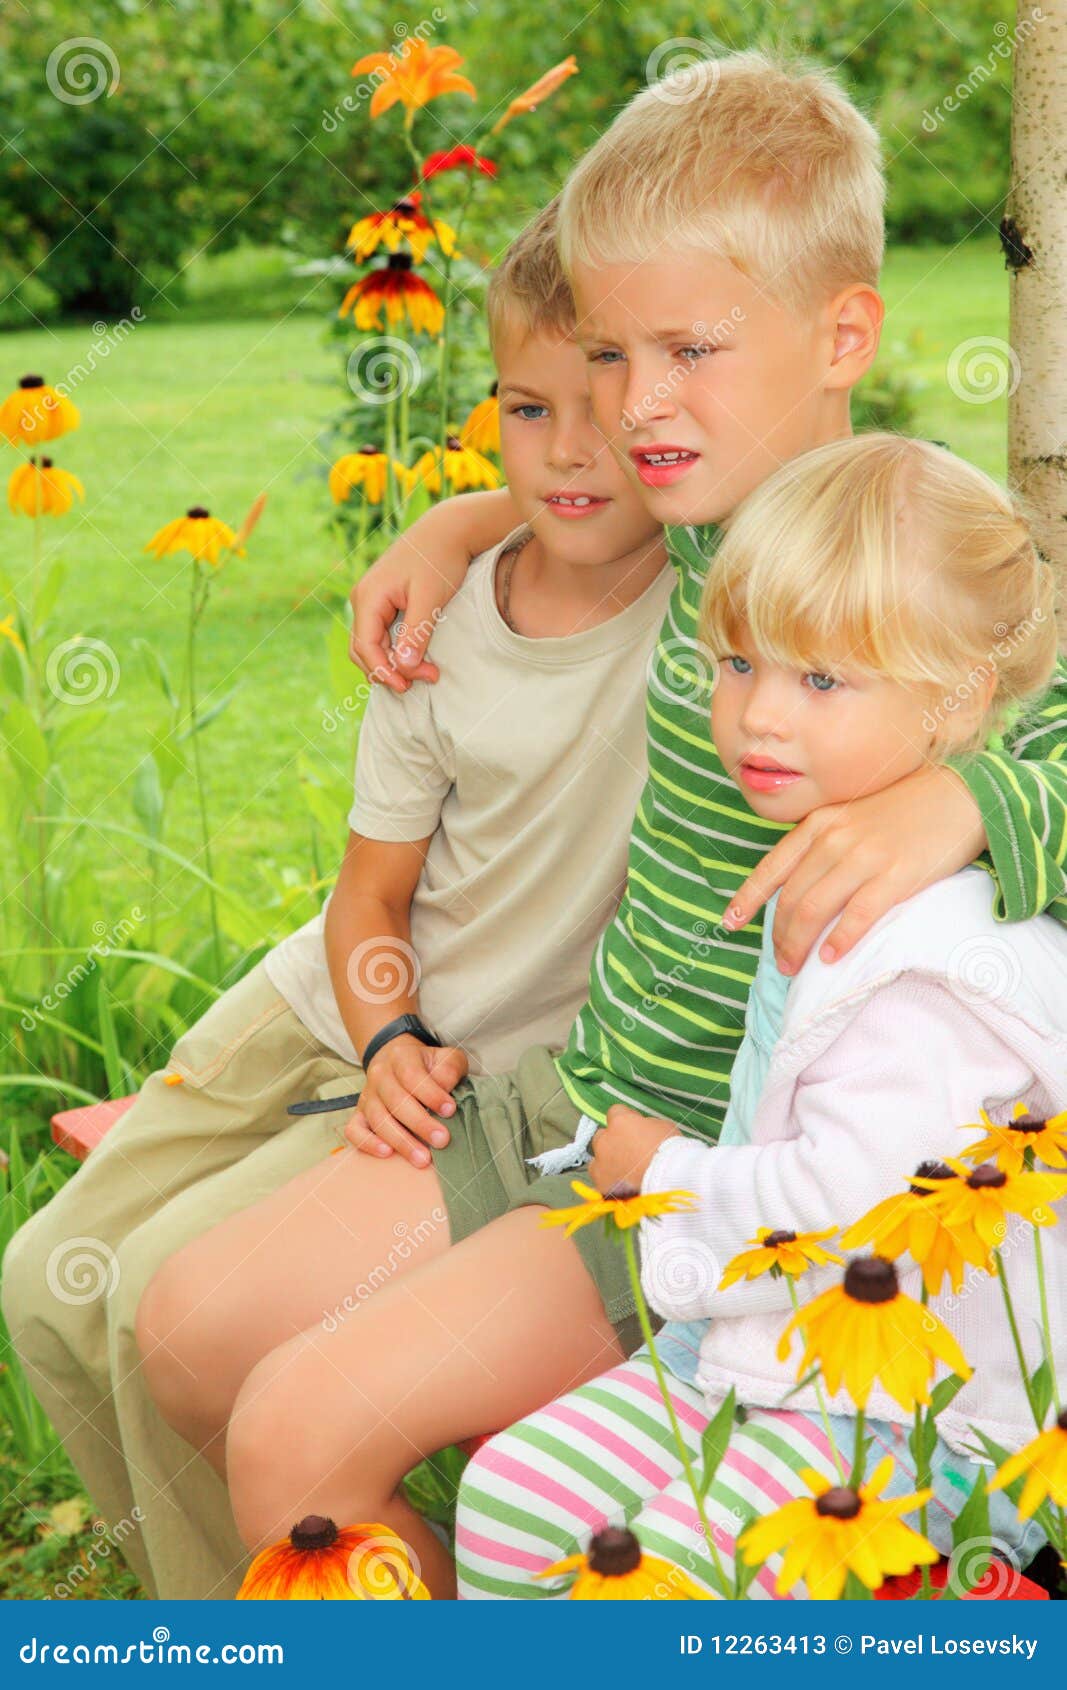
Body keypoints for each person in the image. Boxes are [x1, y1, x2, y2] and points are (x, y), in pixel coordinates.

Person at [103, 48, 1066, 1599]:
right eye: (608, 356)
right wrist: (457, 517)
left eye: (684, 348)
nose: (631, 408)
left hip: (733, 1180)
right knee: (203, 1346)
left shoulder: (895, 558)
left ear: (842, 333)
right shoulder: (711, 517)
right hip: (585, 1117)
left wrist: (963, 795)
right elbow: (573, 490)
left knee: (291, 1433)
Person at [0, 200, 668, 1600]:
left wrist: (459, 510)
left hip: (465, 1080)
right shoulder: (440, 629)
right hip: (340, 1003)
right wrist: (378, 1033)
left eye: (605, 410)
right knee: (43, 1283)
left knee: (148, 1307)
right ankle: (239, 1597)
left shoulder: (710, 606)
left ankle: (252, 1612)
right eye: (524, 410)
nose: (566, 452)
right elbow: (367, 903)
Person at [454, 432, 1066, 1599]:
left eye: (819, 679)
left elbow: (853, 1223)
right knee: (507, 1497)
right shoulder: (841, 879)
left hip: (913, 1417)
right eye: (736, 665)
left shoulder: (931, 963)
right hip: (785, 1359)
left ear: (956, 699)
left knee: (665, 1581)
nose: (757, 718)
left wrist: (658, 1171)